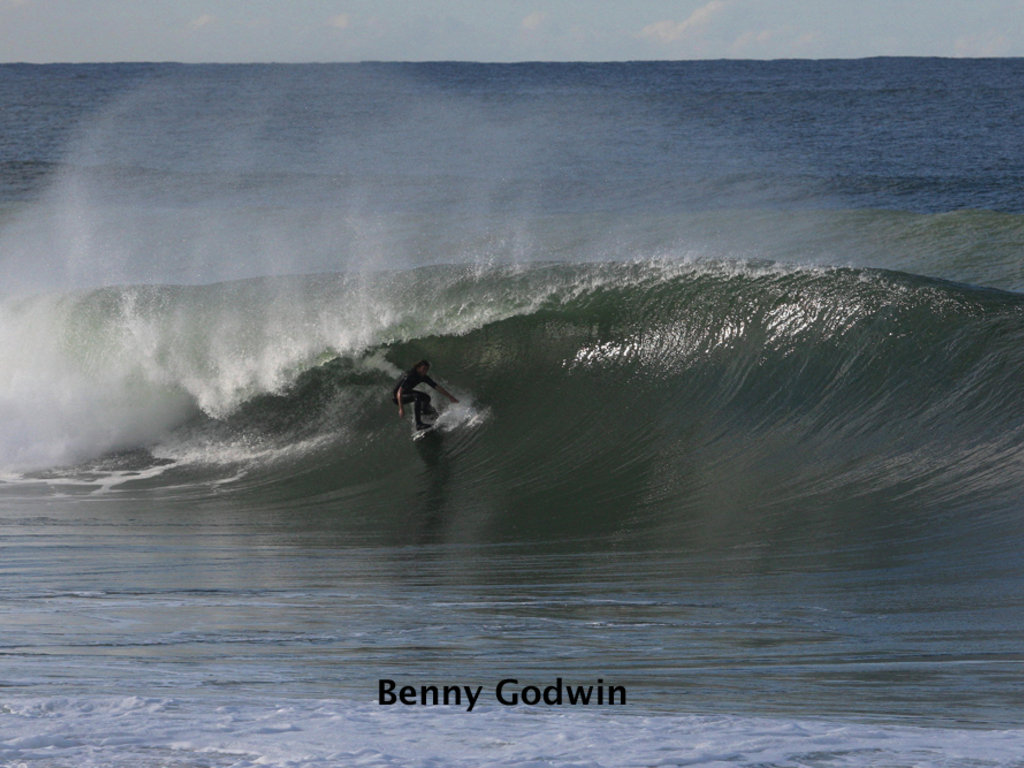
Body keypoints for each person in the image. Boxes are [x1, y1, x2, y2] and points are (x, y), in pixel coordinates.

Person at [392, 360, 459, 430]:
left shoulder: (423, 377)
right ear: (418, 368)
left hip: (406, 393)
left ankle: (425, 412)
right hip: (397, 397)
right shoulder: (410, 375)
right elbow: (399, 393)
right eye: (423, 369)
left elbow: (437, 387)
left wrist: (450, 397)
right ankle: (418, 424)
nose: (425, 371)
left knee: (426, 398)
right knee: (417, 396)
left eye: (426, 369)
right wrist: (401, 408)